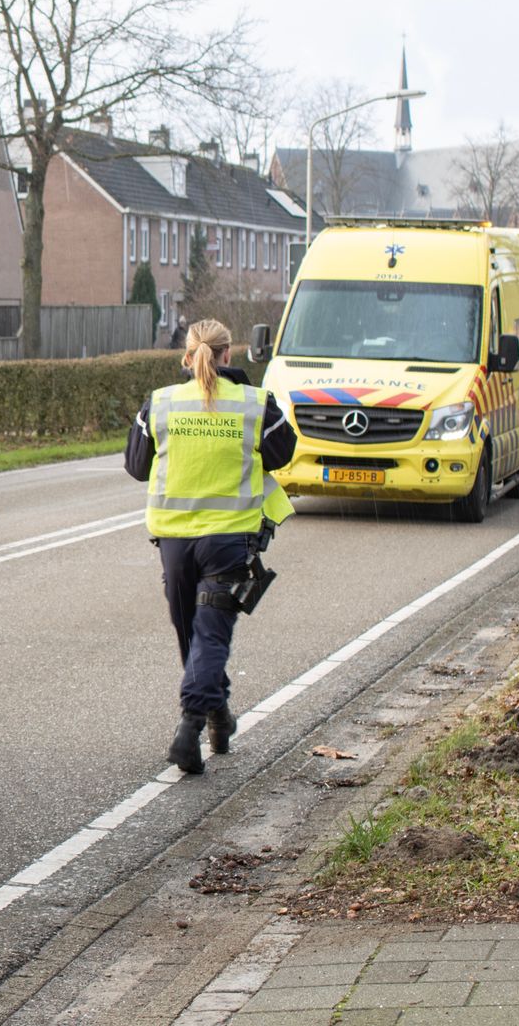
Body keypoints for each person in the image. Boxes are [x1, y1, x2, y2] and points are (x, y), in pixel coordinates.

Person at [125, 319, 297, 775]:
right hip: (228, 540)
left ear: (186, 356)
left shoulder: (160, 403)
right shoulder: (255, 404)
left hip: (174, 542)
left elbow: (137, 466)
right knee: (209, 635)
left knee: (194, 634)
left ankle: (210, 718)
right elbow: (283, 454)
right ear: (228, 355)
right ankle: (196, 723)